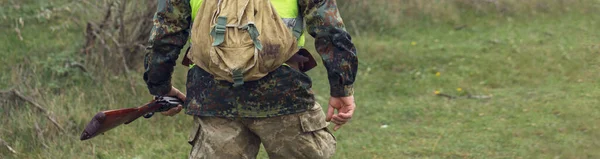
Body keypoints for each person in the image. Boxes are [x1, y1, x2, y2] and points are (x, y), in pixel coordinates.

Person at [143, 0, 358, 158]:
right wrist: (342, 87)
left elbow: (165, 33)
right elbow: (330, 29)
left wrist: (160, 86)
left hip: (213, 97)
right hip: (283, 94)